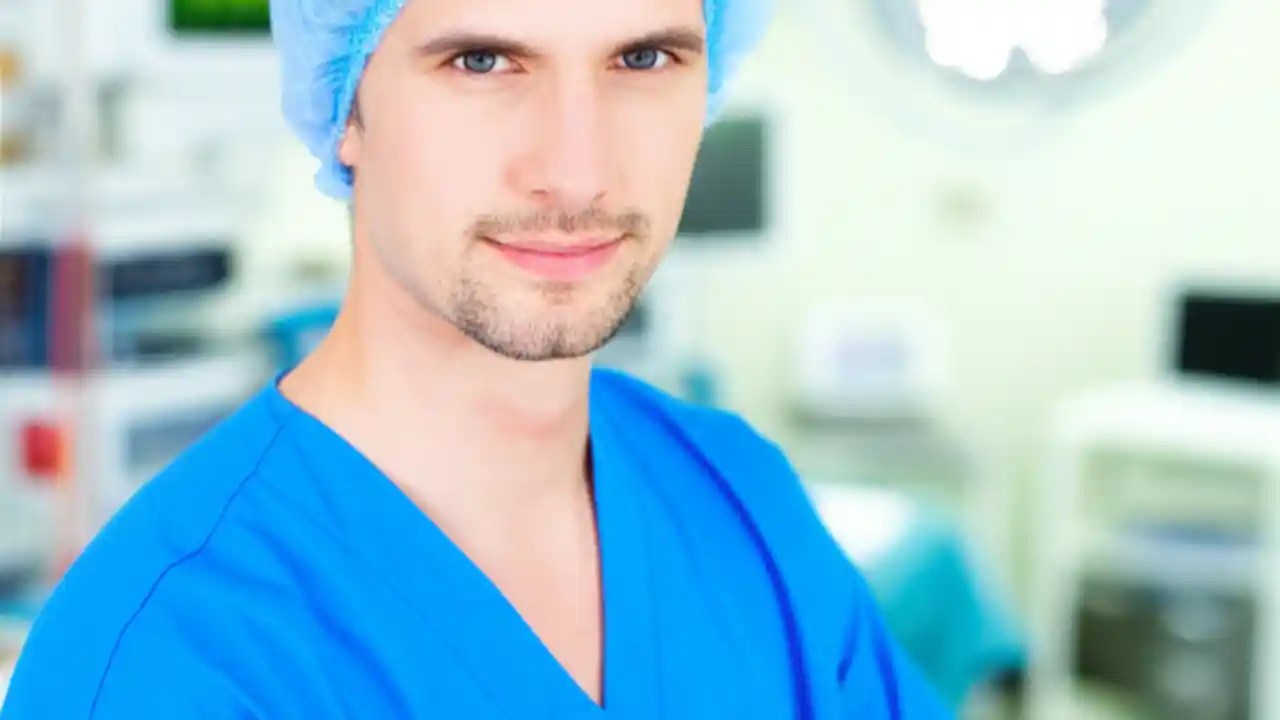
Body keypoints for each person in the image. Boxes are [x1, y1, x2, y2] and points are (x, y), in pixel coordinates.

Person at [2, 0, 951, 717]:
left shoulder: (740, 498)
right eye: (484, 59)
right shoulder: (174, 654)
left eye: (645, 56)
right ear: (346, 107)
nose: (578, 172)